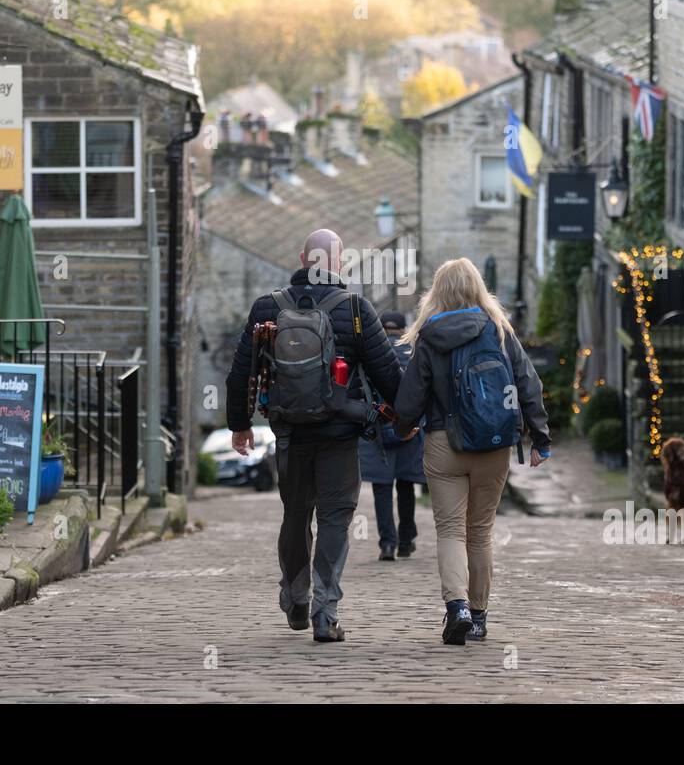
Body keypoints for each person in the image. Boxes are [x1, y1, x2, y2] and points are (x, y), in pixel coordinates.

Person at [226, 229, 402, 643]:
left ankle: (295, 596)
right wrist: (407, 418)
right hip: (341, 433)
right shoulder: (357, 310)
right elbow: (389, 375)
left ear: (304, 257)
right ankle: (326, 611)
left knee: (295, 514)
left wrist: (240, 424)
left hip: (289, 433)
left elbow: (240, 373)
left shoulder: (267, 307)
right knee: (335, 518)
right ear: (338, 263)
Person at [391, 258, 550, 645]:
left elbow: (411, 396)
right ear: (478, 288)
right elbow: (528, 383)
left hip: (444, 443)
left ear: (437, 293)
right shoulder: (498, 331)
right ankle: (478, 617)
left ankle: (457, 607)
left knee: (449, 529)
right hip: (493, 444)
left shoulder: (428, 337)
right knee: (479, 532)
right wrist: (540, 437)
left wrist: (402, 428)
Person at [359, 311, 424, 561]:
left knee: (382, 488)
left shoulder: (371, 352)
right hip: (410, 428)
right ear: (403, 327)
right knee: (406, 485)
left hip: (378, 429)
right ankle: (406, 540)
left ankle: (387, 543)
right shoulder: (415, 351)